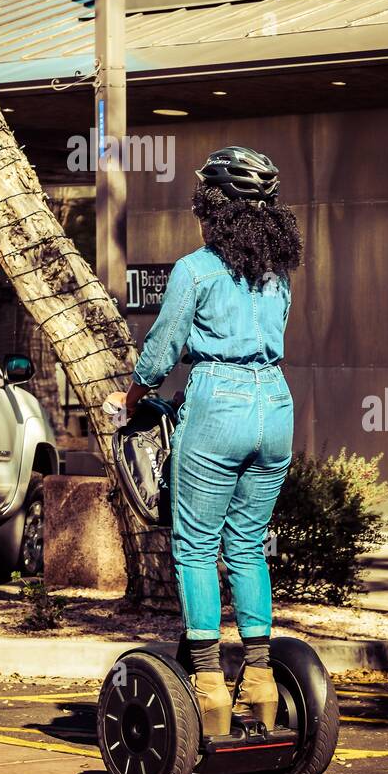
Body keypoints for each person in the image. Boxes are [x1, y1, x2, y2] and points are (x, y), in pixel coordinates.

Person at [126, 146, 303, 735]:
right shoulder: (277, 274)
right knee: (248, 545)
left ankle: (206, 685)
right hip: (275, 407)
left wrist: (134, 395)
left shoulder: (195, 269)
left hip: (218, 405)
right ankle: (259, 680)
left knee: (197, 545)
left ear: (213, 210)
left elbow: (162, 351)